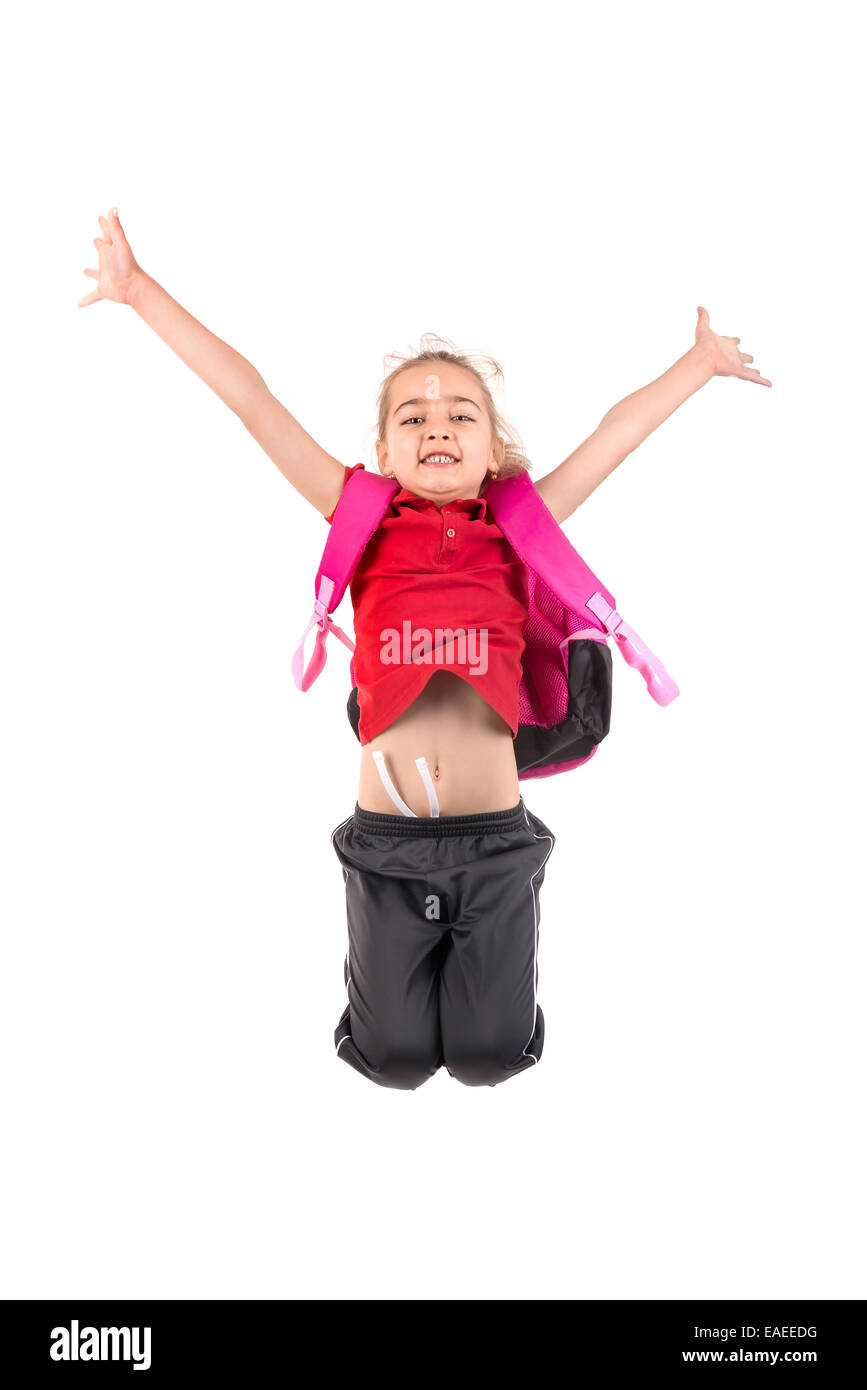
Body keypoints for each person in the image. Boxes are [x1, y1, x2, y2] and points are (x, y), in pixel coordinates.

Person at [79, 207, 771, 1091]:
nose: (435, 425)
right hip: (387, 839)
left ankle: (477, 981)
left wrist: (698, 364)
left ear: (493, 451)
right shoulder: (358, 519)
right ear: (381, 450)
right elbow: (252, 398)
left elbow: (614, 435)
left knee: (489, 1060)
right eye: (411, 416)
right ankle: (399, 1004)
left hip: (494, 839)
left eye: (459, 414)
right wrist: (139, 293)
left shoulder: (517, 525)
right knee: (395, 1063)